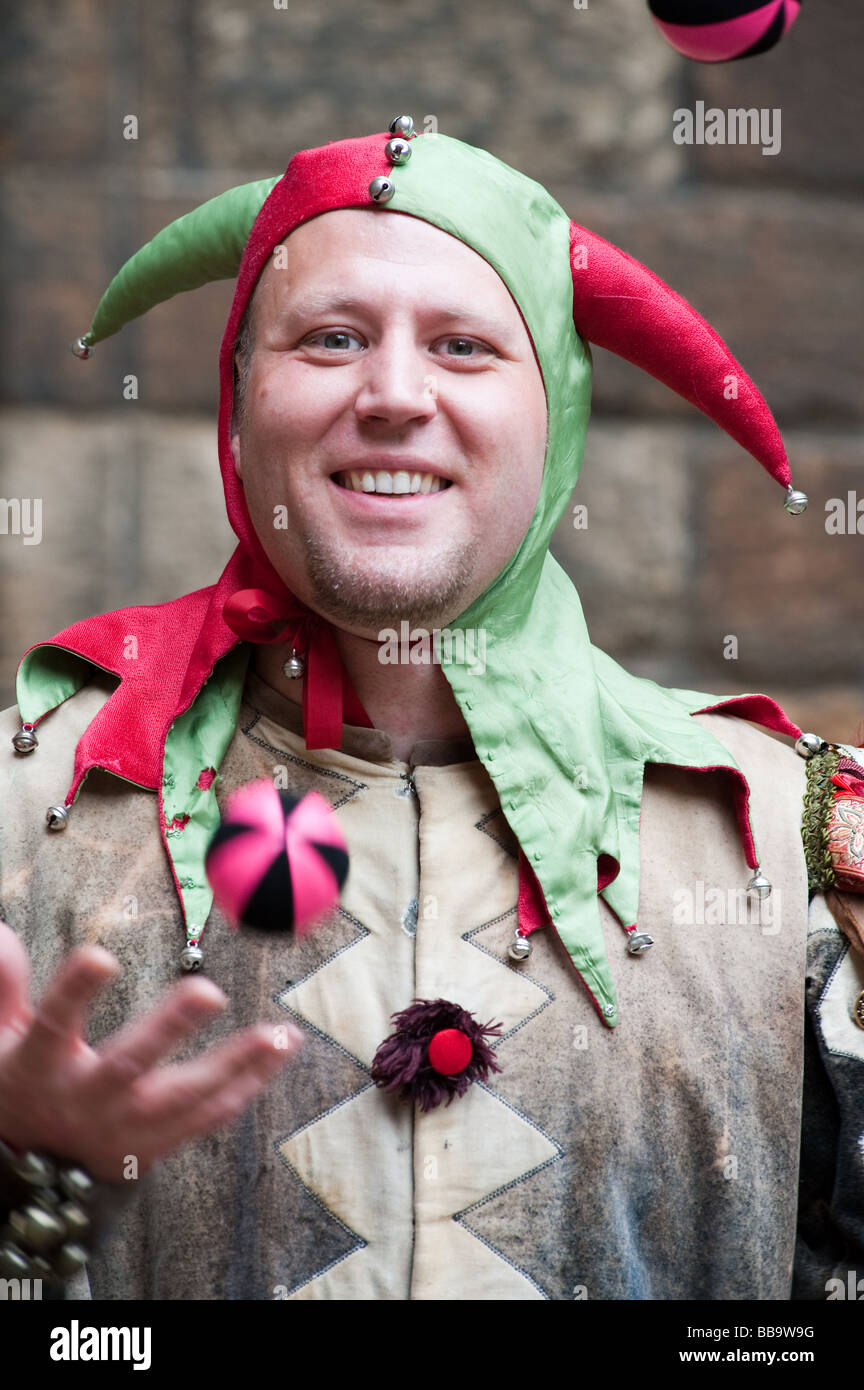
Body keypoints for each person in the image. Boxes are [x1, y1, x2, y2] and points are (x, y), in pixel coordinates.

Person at [1, 119, 862, 1302]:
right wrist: (33, 1195)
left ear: (554, 415)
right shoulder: (21, 813)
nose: (395, 395)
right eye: (332, 337)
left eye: (463, 347)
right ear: (239, 406)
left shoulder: (802, 847)